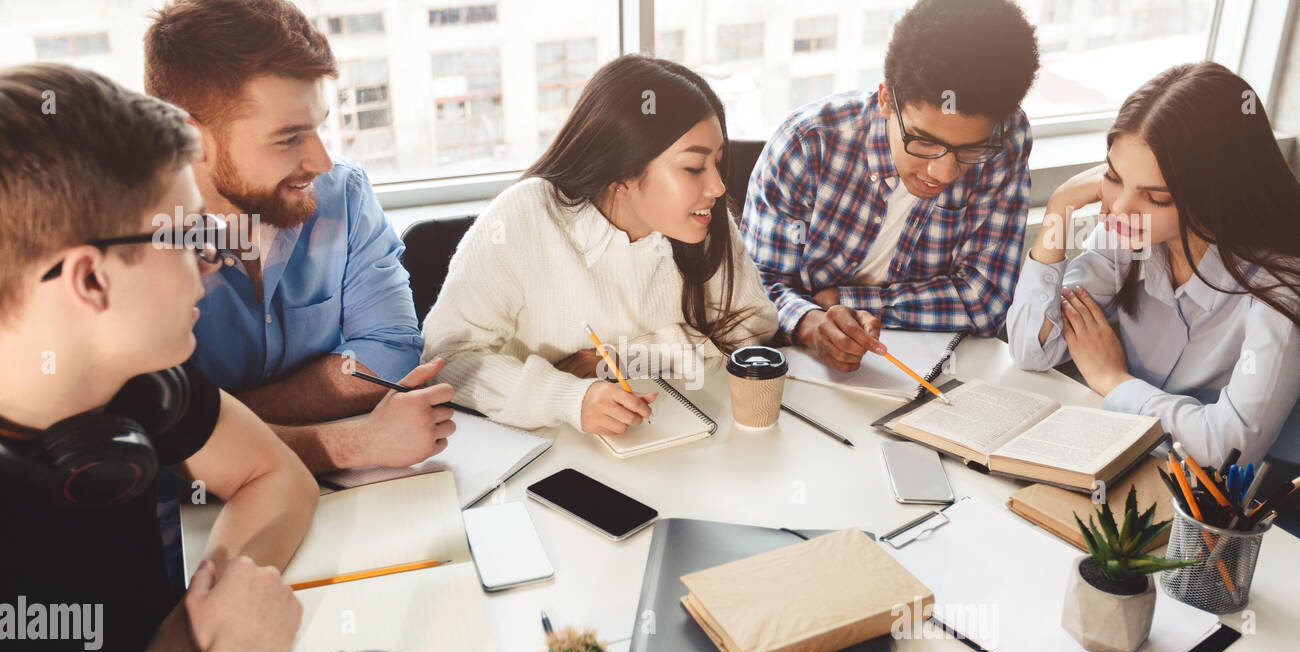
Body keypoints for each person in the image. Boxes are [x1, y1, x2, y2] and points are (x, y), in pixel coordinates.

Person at [0, 64, 316, 652]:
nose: (215, 258)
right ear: (90, 280)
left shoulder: (134, 377)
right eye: (186, 236)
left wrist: (177, 646)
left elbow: (277, 476)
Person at [144, 0, 455, 474]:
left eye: (318, 127)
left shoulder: (341, 194)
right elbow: (160, 449)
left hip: (368, 489)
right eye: (289, 138)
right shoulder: (127, 244)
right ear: (191, 138)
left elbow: (392, 353)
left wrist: (214, 421)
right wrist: (355, 442)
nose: (322, 161)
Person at [420, 55, 778, 434]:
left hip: (677, 440)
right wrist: (568, 397)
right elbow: (447, 360)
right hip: (545, 452)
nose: (718, 187)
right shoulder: (524, 216)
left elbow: (754, 327)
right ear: (620, 175)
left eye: (718, 162)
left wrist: (625, 359)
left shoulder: (703, 218)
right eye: (693, 167)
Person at [1007, 62, 1300, 468]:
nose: (1121, 208)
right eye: (1113, 176)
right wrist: (1059, 208)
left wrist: (1115, 381)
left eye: (1155, 196)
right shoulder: (1132, 232)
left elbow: (1229, 449)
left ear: (1214, 196)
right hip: (1124, 455)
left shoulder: (1278, 289)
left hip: (1216, 505)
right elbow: (1031, 348)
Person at [742, 0, 1039, 372]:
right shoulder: (807, 142)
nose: (944, 173)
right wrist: (809, 323)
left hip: (938, 371)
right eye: (924, 141)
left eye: (971, 149)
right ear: (886, 100)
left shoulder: (1006, 137)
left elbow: (987, 301)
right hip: (802, 372)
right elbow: (754, 288)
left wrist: (845, 299)